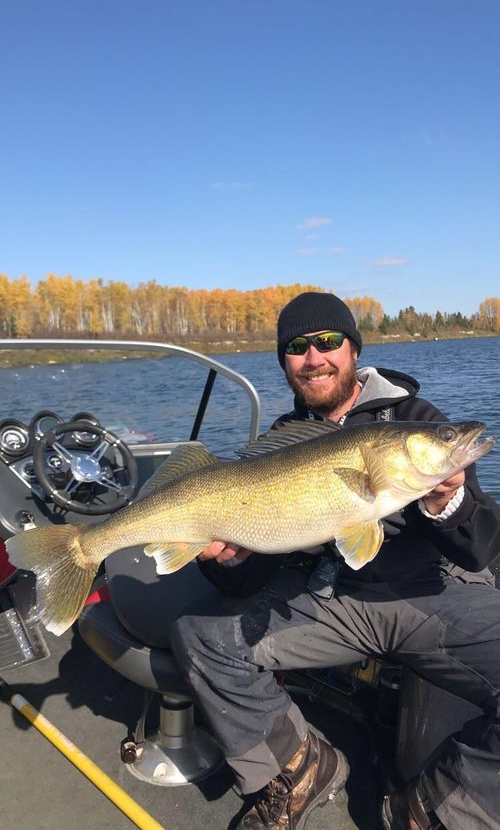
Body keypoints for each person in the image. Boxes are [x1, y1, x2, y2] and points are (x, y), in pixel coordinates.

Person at [170, 291, 500, 830]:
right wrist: (227, 559)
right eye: (296, 348)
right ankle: (297, 768)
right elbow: (251, 579)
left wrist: (447, 504)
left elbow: (482, 548)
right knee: (200, 636)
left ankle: (439, 811)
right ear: (283, 363)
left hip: (426, 596)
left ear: (352, 350)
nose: (313, 357)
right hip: (330, 602)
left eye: (327, 342)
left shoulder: (413, 418)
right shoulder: (280, 442)